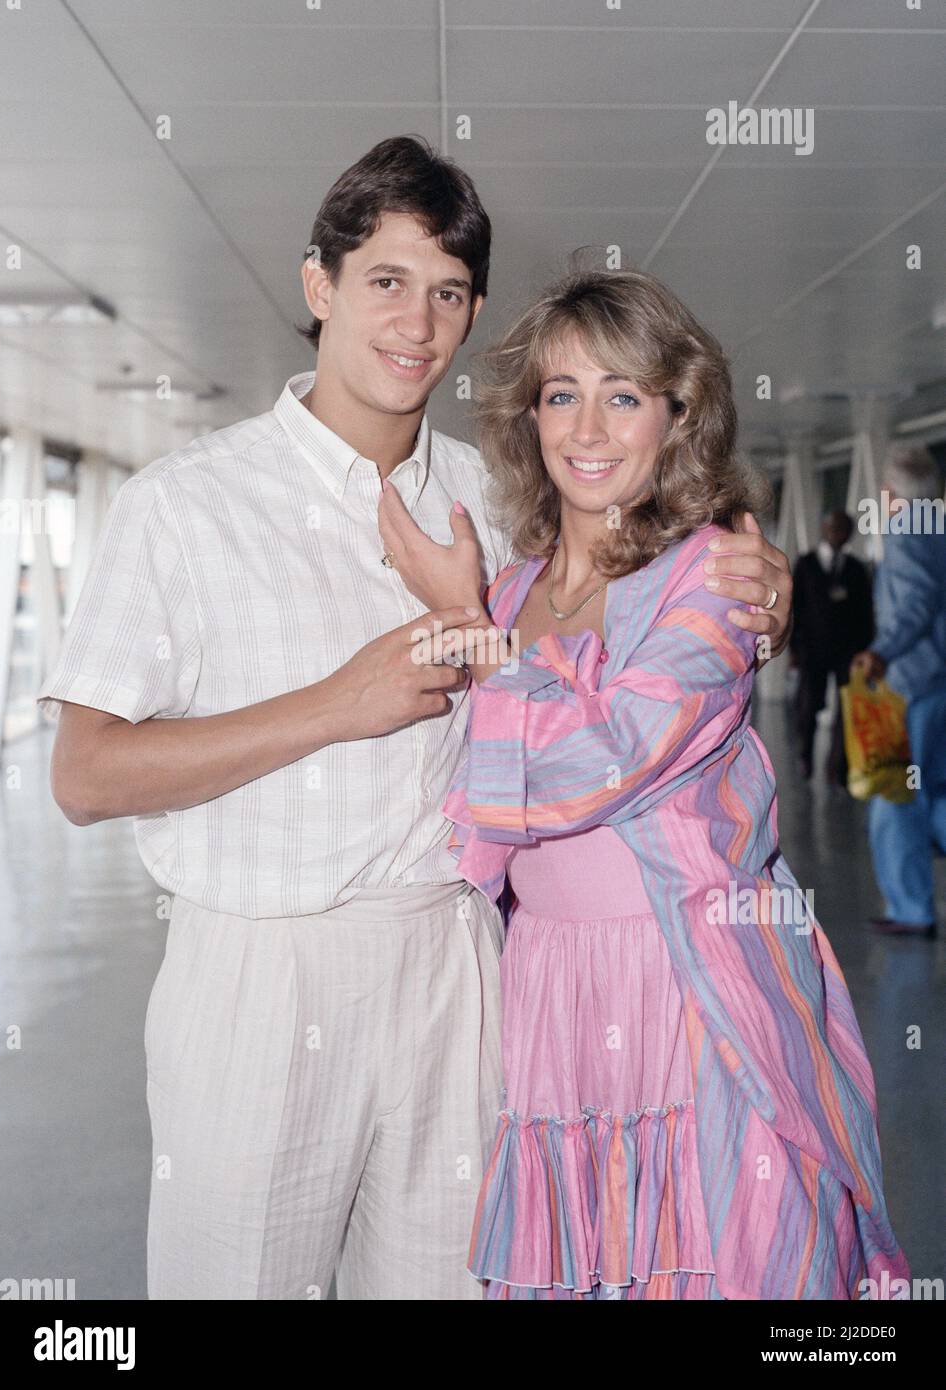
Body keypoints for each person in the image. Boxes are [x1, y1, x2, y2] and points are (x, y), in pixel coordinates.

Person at [36, 136, 793, 1301]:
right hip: (261, 967)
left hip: (457, 961)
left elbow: (638, 559)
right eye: (385, 280)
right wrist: (334, 707)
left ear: (473, 310)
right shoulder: (183, 507)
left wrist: (761, 569)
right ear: (318, 286)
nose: (416, 321)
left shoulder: (500, 502)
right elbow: (85, 775)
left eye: (447, 292)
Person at [380, 268, 910, 1300]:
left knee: (716, 1247)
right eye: (560, 392)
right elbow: (475, 809)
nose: (587, 425)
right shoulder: (516, 584)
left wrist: (481, 642)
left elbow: (601, 755)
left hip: (687, 980)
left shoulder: (711, 578)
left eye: (622, 394)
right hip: (553, 989)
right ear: (528, 413)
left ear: (676, 416)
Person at [852, 444, 946, 938]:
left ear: (894, 492)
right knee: (934, 792)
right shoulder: (940, 530)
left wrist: (883, 651)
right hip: (938, 682)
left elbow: (913, 604)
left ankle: (912, 909)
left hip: (910, 682)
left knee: (896, 795)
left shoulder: (910, 530)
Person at [790, 510, 873, 782]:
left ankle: (837, 768)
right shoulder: (806, 564)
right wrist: (793, 650)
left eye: (844, 530)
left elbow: (865, 614)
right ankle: (805, 756)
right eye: (834, 528)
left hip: (847, 652)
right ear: (824, 529)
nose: (838, 535)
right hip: (812, 649)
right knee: (808, 707)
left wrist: (866, 650)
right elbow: (794, 608)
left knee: (846, 710)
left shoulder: (856, 569)